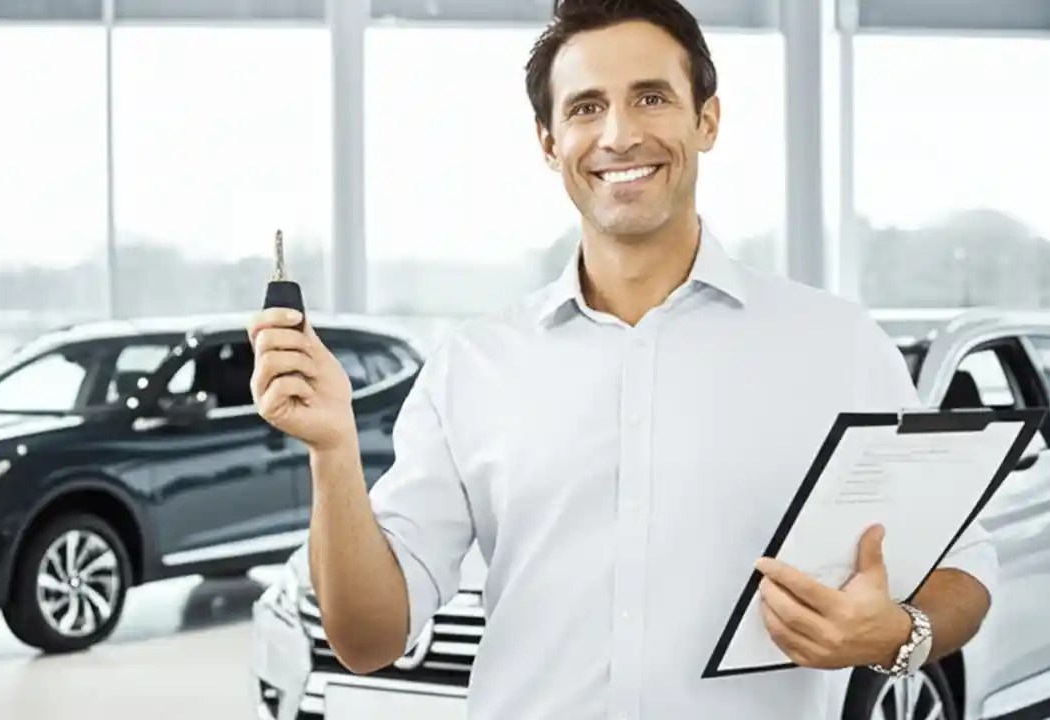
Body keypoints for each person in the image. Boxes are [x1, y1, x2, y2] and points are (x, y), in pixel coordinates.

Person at [246, 1, 998, 717]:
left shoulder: (836, 346)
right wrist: (334, 451)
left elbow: (963, 563)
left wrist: (902, 633)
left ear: (706, 119)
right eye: (584, 107)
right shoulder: (474, 367)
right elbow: (369, 639)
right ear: (549, 143)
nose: (618, 135)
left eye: (650, 99)